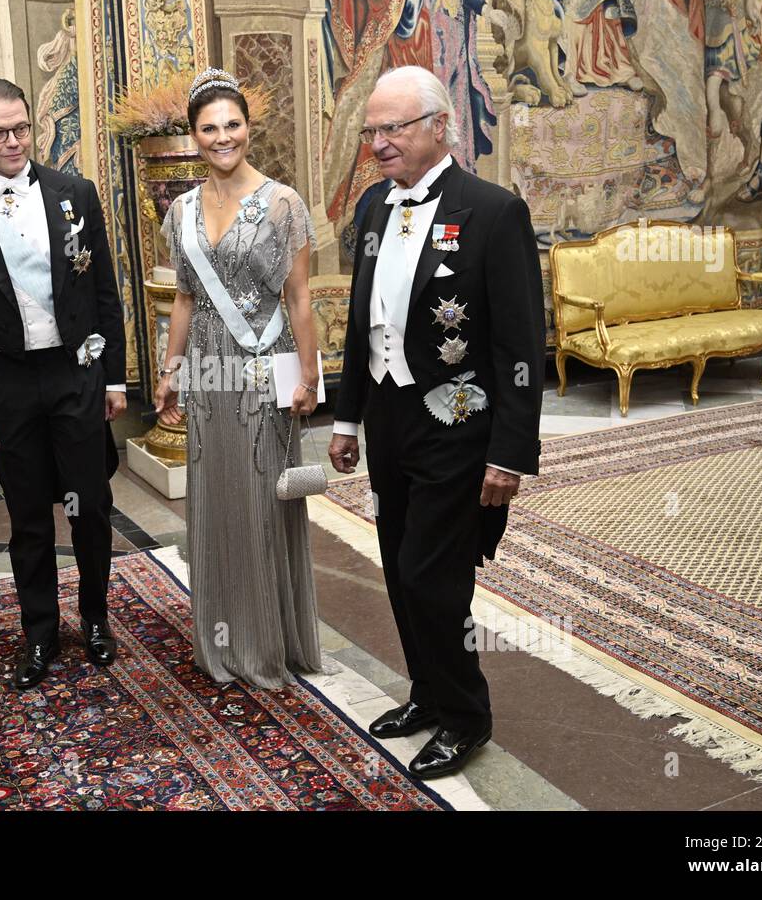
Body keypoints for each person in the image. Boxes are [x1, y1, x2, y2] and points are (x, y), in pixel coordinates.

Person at [328, 66, 544, 779]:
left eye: (393, 128)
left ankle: (466, 715)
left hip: (458, 422)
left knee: (434, 575)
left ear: (437, 125)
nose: (380, 143)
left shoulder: (492, 210)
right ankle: (428, 692)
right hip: (391, 417)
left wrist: (510, 452)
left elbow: (518, 346)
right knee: (397, 563)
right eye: (372, 130)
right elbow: (366, 323)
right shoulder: (372, 208)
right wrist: (348, 419)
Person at [0, 78, 127, 690]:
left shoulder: (76, 194)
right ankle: (39, 631)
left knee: (90, 506)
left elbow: (103, 292)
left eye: (21, 128)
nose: (13, 141)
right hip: (8, 381)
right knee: (28, 518)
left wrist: (115, 377)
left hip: (75, 373)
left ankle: (95, 617)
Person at [154, 68, 323, 690]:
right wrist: (171, 372)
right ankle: (224, 632)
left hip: (261, 365)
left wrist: (307, 376)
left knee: (262, 494)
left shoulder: (283, 204)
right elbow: (184, 298)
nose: (223, 137)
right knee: (217, 493)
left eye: (233, 125)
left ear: (249, 128)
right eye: (209, 128)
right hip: (207, 367)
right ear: (193, 137)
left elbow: (300, 299)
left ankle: (267, 642)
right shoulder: (181, 210)